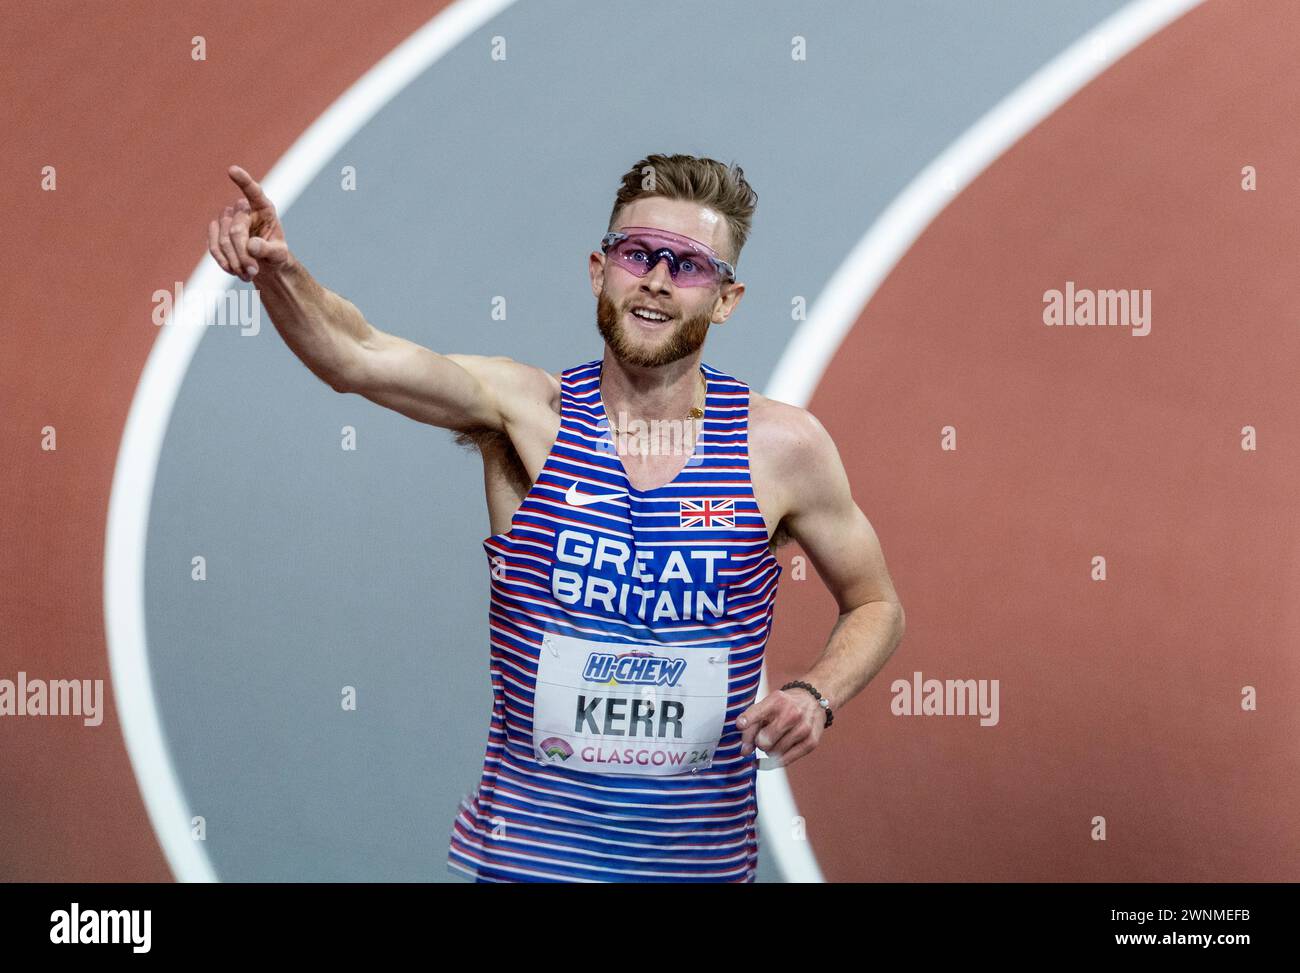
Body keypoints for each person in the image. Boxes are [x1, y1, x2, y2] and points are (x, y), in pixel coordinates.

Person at [208, 152, 905, 883]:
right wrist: (280, 271)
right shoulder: (523, 412)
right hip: (529, 866)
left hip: (696, 871)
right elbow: (356, 353)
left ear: (726, 299)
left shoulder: (782, 449)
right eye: (638, 253)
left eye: (690, 265)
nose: (658, 280)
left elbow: (876, 602)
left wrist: (817, 693)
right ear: (600, 269)